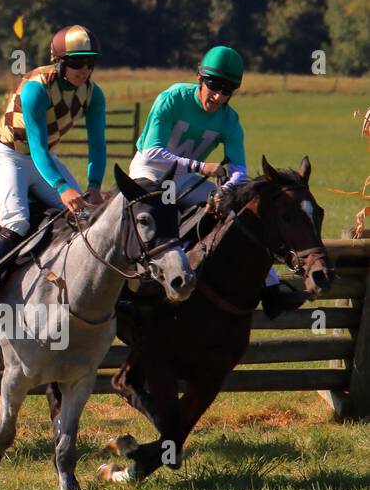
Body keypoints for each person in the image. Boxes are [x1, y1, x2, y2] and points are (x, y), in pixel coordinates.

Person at [129, 45, 304, 317]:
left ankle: (271, 289)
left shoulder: (230, 120)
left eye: (227, 91)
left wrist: (228, 190)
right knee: (158, 219)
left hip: (186, 179)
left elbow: (239, 170)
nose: (219, 96)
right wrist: (201, 166)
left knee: (240, 215)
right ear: (199, 77)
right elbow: (152, 153)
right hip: (149, 172)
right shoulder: (173, 97)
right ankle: (132, 288)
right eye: (214, 86)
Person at [0, 25, 107, 307]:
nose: (84, 70)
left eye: (90, 63)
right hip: (11, 155)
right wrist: (62, 188)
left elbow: (97, 145)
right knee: (16, 221)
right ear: (59, 62)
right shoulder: (36, 88)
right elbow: (36, 146)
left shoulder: (94, 94)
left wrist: (95, 185)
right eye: (76, 63)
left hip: (44, 159)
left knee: (86, 215)